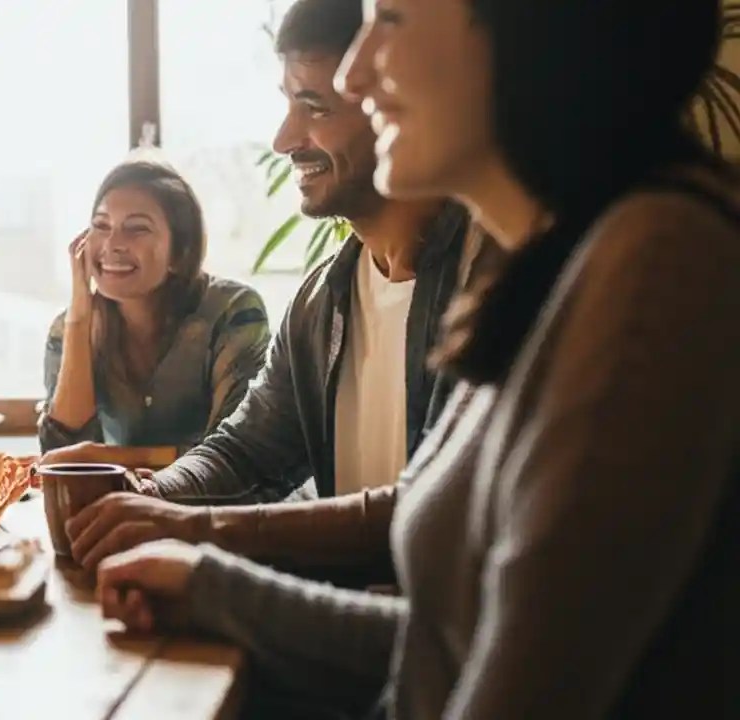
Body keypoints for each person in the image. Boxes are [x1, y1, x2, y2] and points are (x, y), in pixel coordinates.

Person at [97, 0, 737, 717]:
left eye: (391, 18)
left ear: (528, 27)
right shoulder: (542, 270)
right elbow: (449, 649)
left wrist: (206, 546)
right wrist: (206, 585)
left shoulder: (654, 260)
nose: (361, 71)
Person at [61, 0, 487, 574]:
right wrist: (151, 499)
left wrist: (188, 529)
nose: (285, 138)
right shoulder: (319, 304)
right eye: (288, 103)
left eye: (313, 106)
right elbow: (245, 453)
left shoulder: (487, 286)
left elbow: (427, 510)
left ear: (392, 100)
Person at [38, 161, 270, 463]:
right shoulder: (68, 328)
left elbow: (235, 455)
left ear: (180, 251)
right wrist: (79, 318)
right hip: (116, 507)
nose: (112, 244)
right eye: (101, 225)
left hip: (211, 507)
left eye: (137, 229)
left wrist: (110, 458)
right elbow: (62, 455)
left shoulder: (233, 312)